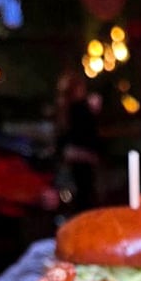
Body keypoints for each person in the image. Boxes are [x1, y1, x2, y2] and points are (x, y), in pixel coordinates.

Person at [55, 70, 103, 213]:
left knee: (78, 200)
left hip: (76, 160)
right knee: (84, 199)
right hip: (81, 161)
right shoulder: (79, 109)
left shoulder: (65, 110)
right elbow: (88, 135)